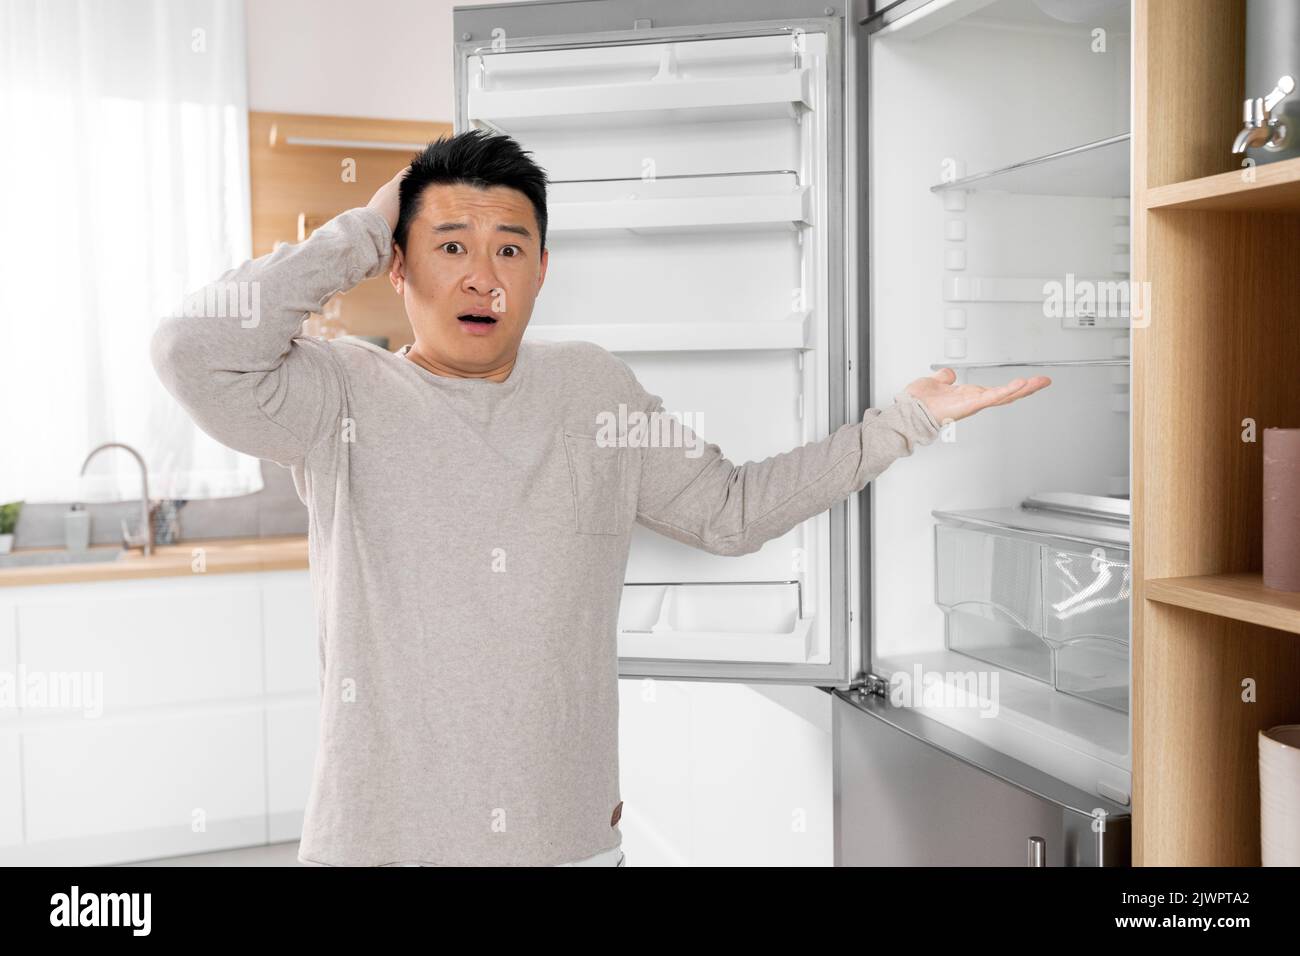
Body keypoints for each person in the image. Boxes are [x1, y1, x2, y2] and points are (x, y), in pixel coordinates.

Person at [150, 129, 1049, 867]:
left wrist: (901, 423)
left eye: (509, 248)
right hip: (381, 844)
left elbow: (729, 513)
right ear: (398, 268)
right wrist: (360, 225)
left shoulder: (594, 392)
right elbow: (188, 348)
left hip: (563, 841)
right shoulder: (335, 394)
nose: (482, 276)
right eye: (449, 247)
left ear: (543, 267)